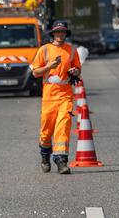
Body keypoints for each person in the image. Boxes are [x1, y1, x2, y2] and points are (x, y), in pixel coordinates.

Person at [30, 20, 82, 174]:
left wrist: (75, 71)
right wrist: (49, 67)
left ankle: (61, 161)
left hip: (65, 96)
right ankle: (45, 157)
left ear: (66, 33)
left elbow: (78, 69)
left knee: (63, 127)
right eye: (57, 32)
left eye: (62, 31)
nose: (60, 34)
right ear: (53, 34)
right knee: (46, 131)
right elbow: (35, 72)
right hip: (49, 98)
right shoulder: (44, 50)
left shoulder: (71, 50)